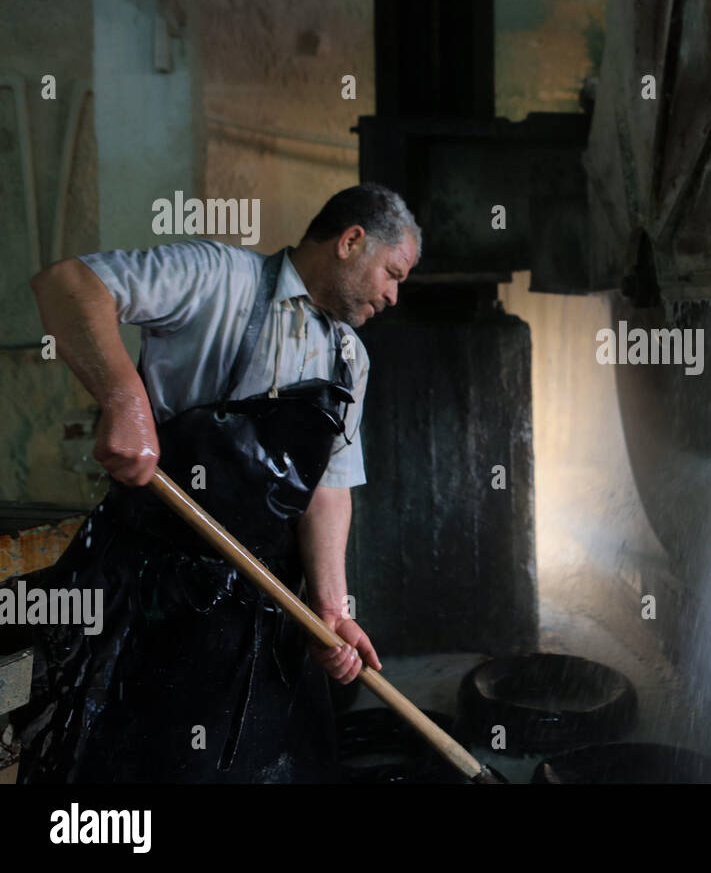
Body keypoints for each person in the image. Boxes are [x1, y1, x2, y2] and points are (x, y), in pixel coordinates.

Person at [11, 182, 420, 783]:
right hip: (150, 584)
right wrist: (125, 401)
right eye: (393, 273)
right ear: (351, 241)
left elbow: (329, 487)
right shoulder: (217, 277)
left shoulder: (349, 359)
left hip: (263, 598)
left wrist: (329, 607)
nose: (392, 296)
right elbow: (67, 284)